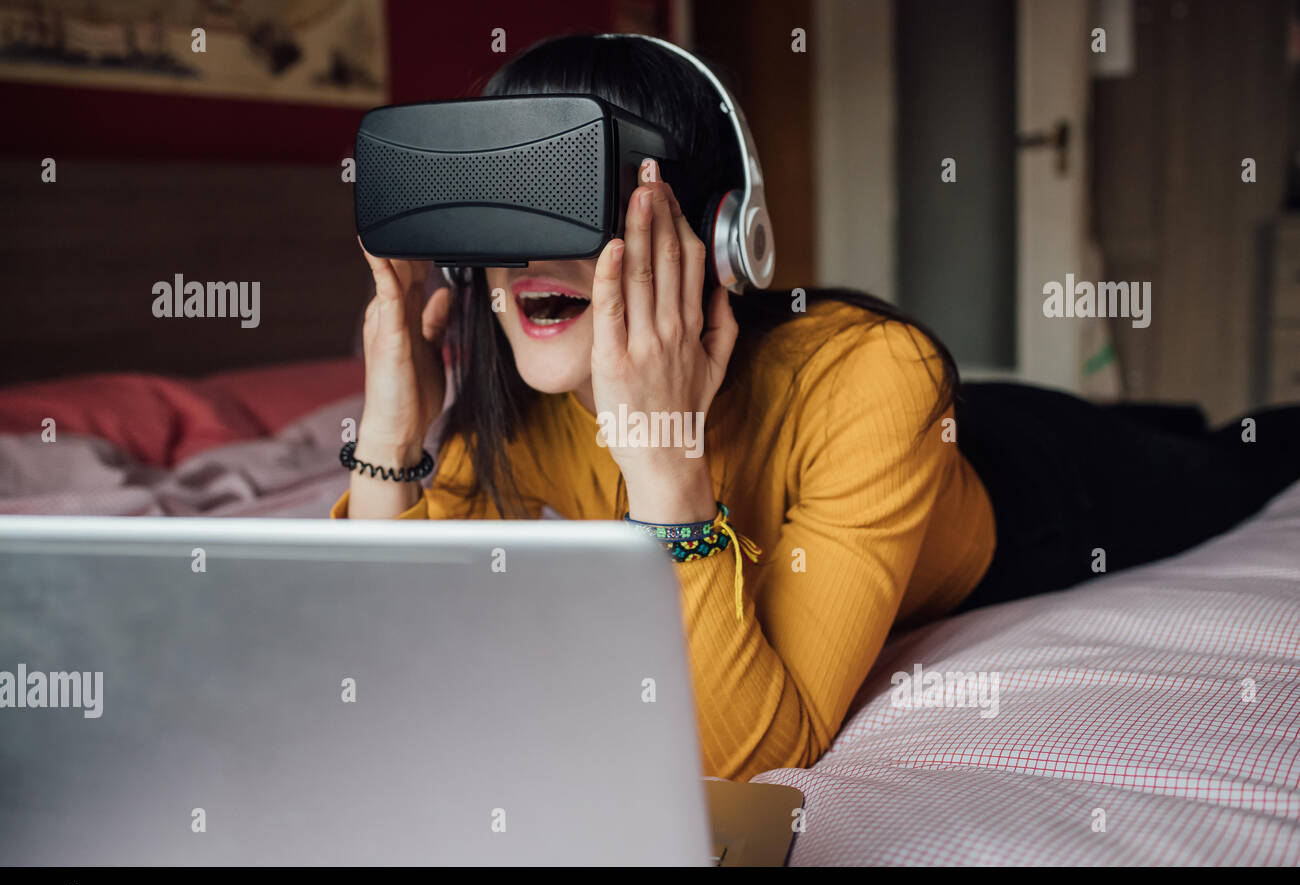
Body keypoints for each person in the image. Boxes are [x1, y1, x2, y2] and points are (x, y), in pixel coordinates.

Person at [334, 34, 1300, 781]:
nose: (528, 255)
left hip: (1028, 486)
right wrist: (391, 429)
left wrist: (662, 456)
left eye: (566, 196)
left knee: (1229, 458)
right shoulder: (514, 401)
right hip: (899, 450)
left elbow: (753, 754)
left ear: (721, 237)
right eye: (499, 203)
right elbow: (393, 646)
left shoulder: (878, 376)